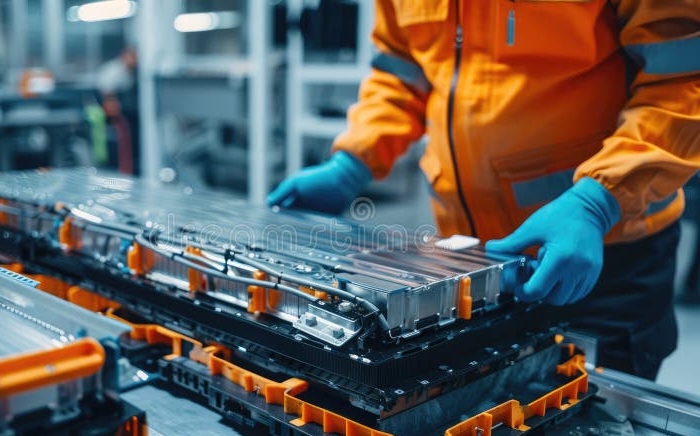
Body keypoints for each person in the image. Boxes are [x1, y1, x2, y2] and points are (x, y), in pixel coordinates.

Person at [268, 0, 700, 380]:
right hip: (470, 261)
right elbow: (402, 69)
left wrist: (597, 201)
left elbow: (683, 80)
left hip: (603, 258)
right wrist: (352, 163)